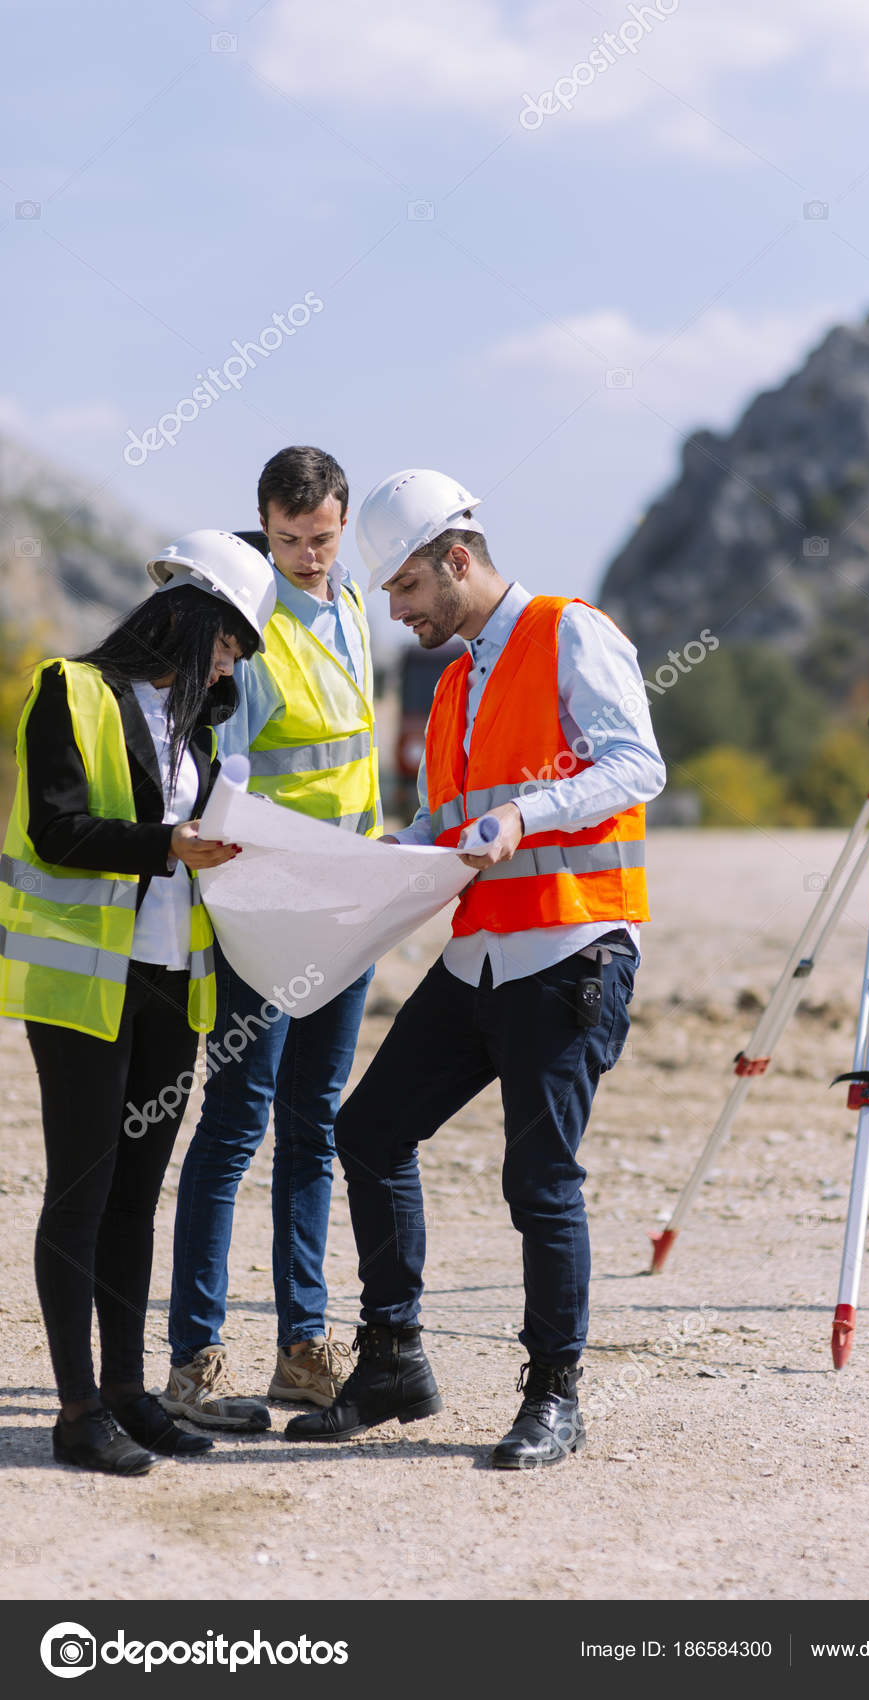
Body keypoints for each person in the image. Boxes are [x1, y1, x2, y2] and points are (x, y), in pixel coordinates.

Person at [288, 469, 665, 1467]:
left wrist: (527, 813)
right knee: (369, 1131)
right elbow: (449, 822)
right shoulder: (454, 681)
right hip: (480, 956)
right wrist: (390, 855)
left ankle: (554, 1395)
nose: (397, 611)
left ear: (458, 559)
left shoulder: (569, 632)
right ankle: (394, 1360)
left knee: (539, 1179)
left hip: (570, 950)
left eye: (408, 587)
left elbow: (638, 763)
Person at [0, 531, 275, 1475]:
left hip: (169, 984)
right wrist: (169, 845)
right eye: (231, 644)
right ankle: (77, 1413)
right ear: (193, 619)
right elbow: (57, 830)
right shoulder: (68, 690)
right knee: (81, 1194)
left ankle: (127, 1394)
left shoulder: (196, 726)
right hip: (85, 985)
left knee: (134, 1198)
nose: (230, 666)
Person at [163, 446, 380, 1432]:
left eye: (321, 537)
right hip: (268, 907)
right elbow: (227, 782)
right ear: (264, 523)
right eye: (289, 537)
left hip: (351, 903)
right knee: (236, 1120)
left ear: (343, 525)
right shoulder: (248, 624)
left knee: (315, 1126)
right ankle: (195, 1359)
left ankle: (303, 1348)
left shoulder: (357, 605)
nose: (306, 554)